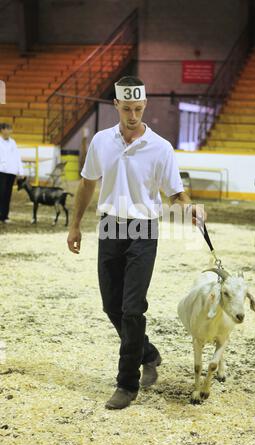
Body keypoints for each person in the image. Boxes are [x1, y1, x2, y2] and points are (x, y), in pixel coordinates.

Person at [67, 76, 205, 410]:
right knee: (111, 306)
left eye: (138, 108)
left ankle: (127, 384)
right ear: (116, 105)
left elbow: (175, 192)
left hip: (144, 230)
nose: (132, 114)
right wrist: (74, 226)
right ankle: (148, 353)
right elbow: (87, 185)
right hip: (109, 226)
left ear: (145, 106)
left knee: (132, 308)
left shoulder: (160, 147)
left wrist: (189, 210)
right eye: (127, 108)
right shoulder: (101, 142)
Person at [0, 123, 24, 223]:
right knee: (1, 193)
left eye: (10, 129)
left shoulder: (13, 142)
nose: (10, 131)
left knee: (8, 194)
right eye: (8, 129)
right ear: (2, 130)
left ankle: (5, 216)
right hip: (1, 171)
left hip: (11, 171)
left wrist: (21, 171)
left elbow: (17, 157)